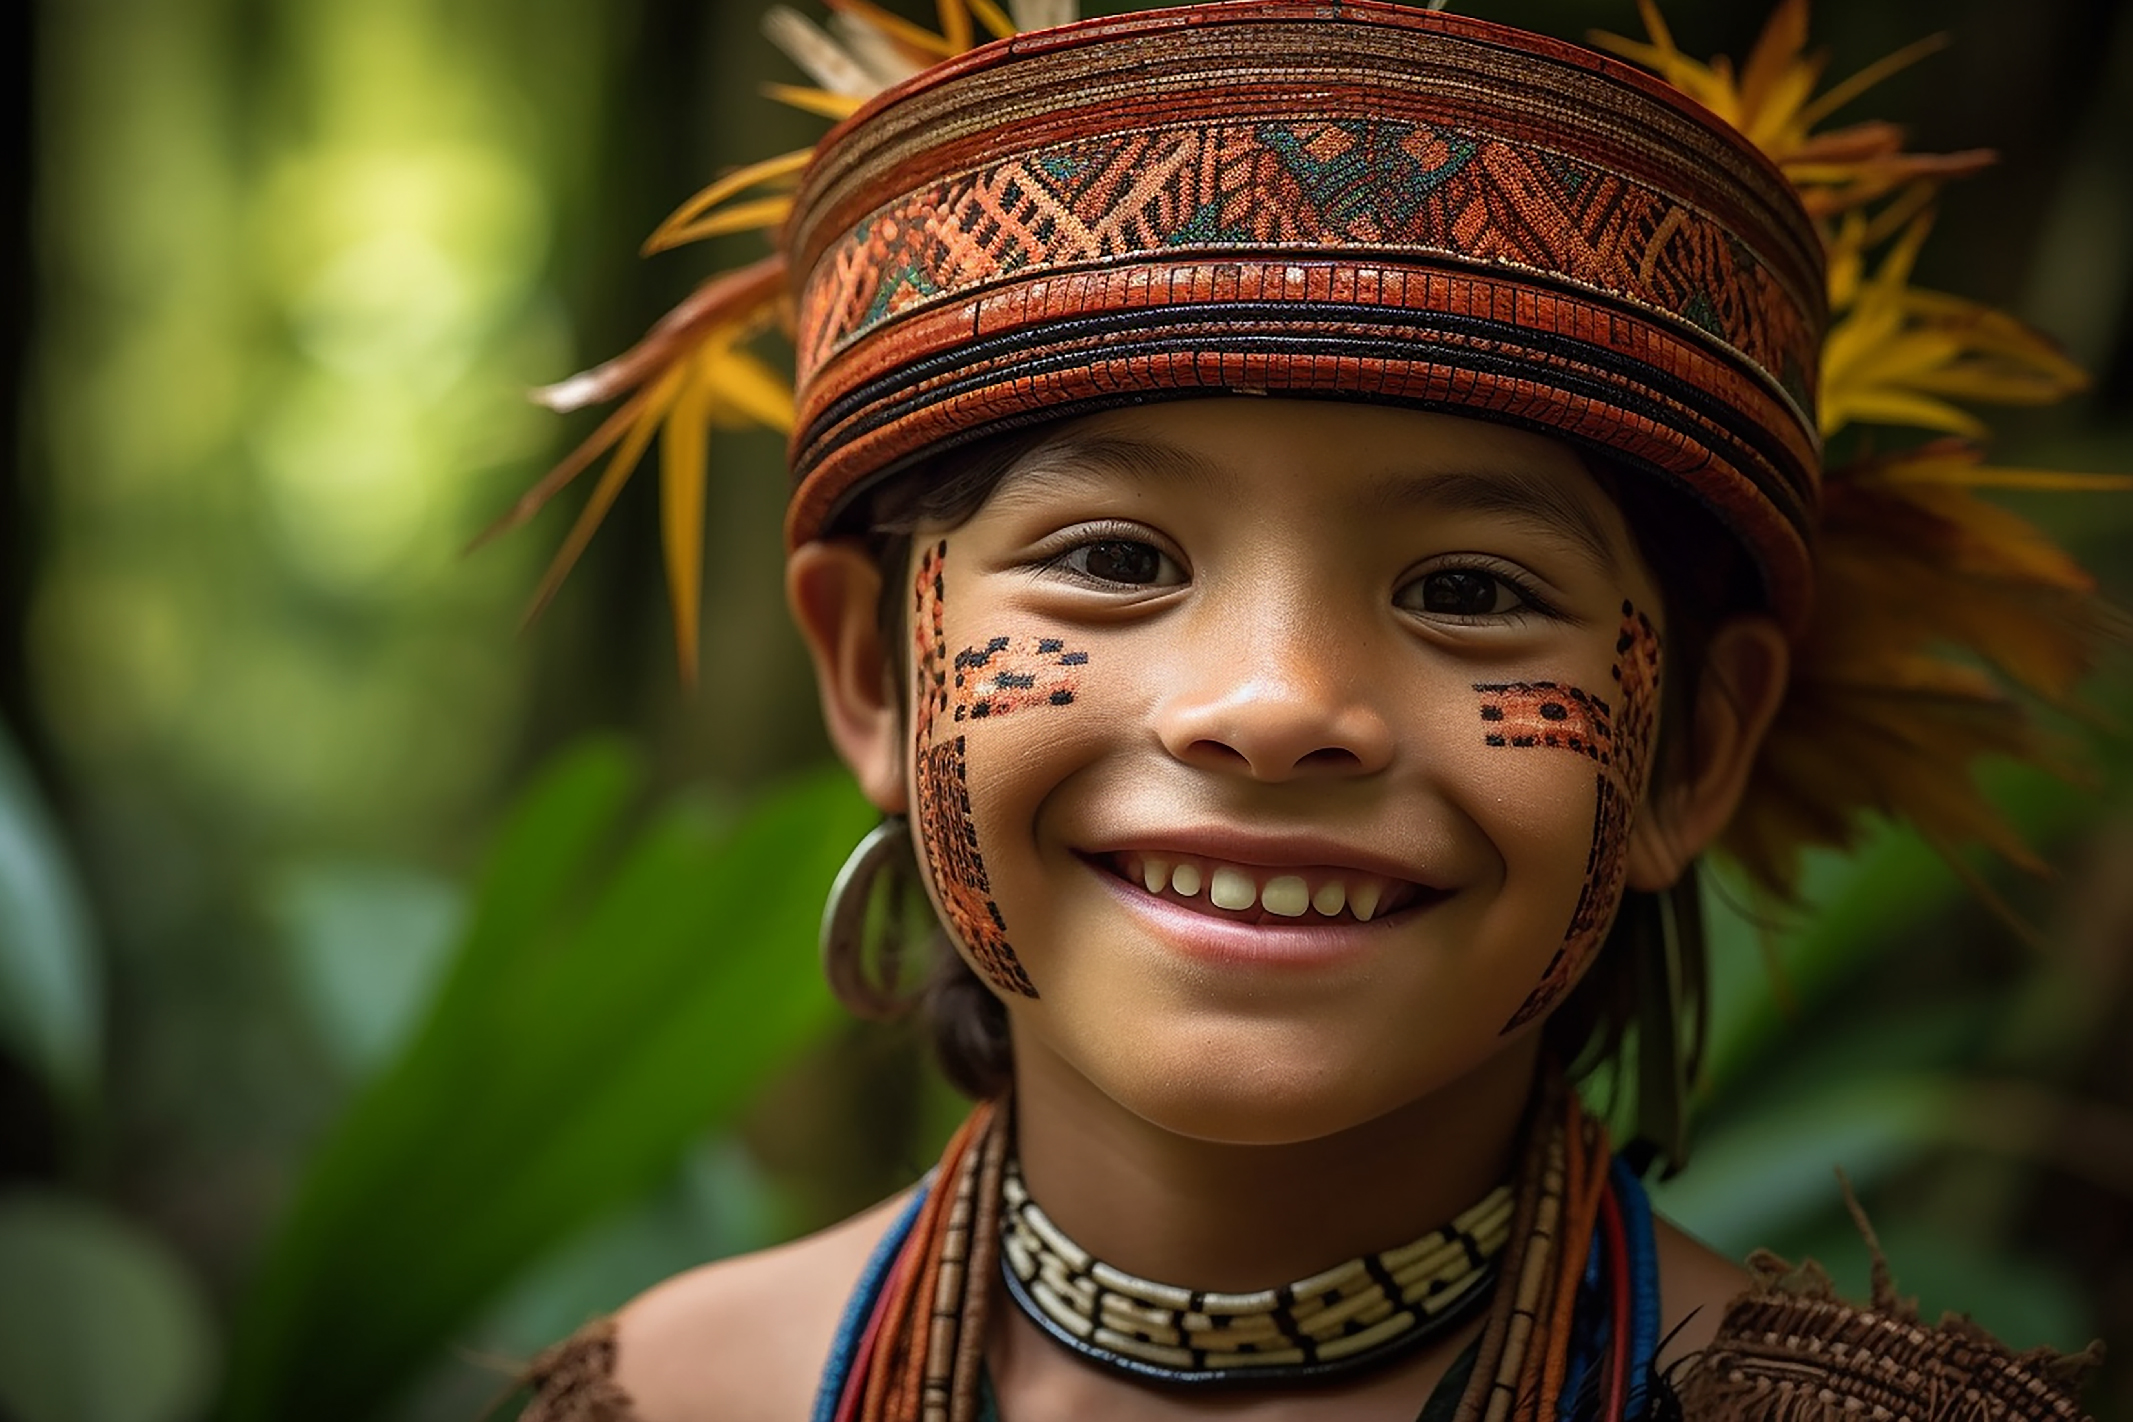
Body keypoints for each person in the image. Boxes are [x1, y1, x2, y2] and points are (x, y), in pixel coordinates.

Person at [494, 0, 2117, 1416]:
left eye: (1468, 589)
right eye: (1114, 558)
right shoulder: (665, 1398)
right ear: (874, 670)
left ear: (1689, 747)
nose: (1273, 705)